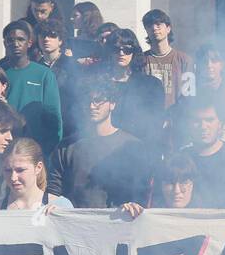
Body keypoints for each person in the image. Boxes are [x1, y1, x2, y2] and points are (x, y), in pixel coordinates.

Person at [47, 77, 151, 208]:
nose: (91, 106)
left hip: (118, 223)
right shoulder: (66, 147)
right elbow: (53, 190)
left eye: (98, 101)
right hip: (74, 224)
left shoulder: (132, 146)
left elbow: (141, 191)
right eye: (88, 101)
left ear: (112, 104)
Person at [0, 19, 63, 155]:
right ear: (5, 43)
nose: (15, 44)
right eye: (10, 40)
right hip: (4, 146)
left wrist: (53, 147)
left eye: (20, 39)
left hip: (35, 147)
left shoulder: (44, 74)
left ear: (29, 43)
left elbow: (54, 115)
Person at [97, 29, 166, 148]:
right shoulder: (99, 83)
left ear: (134, 52)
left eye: (127, 49)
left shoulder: (151, 85)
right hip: (104, 148)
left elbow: (155, 125)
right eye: (116, 49)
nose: (121, 53)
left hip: (138, 147)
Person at [0, 138, 73, 214]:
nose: (13, 177)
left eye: (20, 170)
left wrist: (61, 220)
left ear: (38, 168)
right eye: (8, 170)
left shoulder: (60, 206)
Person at [141, 8, 195, 110]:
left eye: (158, 24)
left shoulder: (184, 60)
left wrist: (173, 116)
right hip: (149, 119)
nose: (154, 28)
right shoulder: (141, 60)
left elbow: (189, 95)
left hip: (176, 120)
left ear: (168, 28)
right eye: (149, 25)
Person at [119, 151, 199, 219]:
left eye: (183, 182)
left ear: (192, 185)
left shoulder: (206, 216)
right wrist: (127, 214)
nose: (176, 191)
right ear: (162, 186)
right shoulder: (146, 213)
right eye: (170, 183)